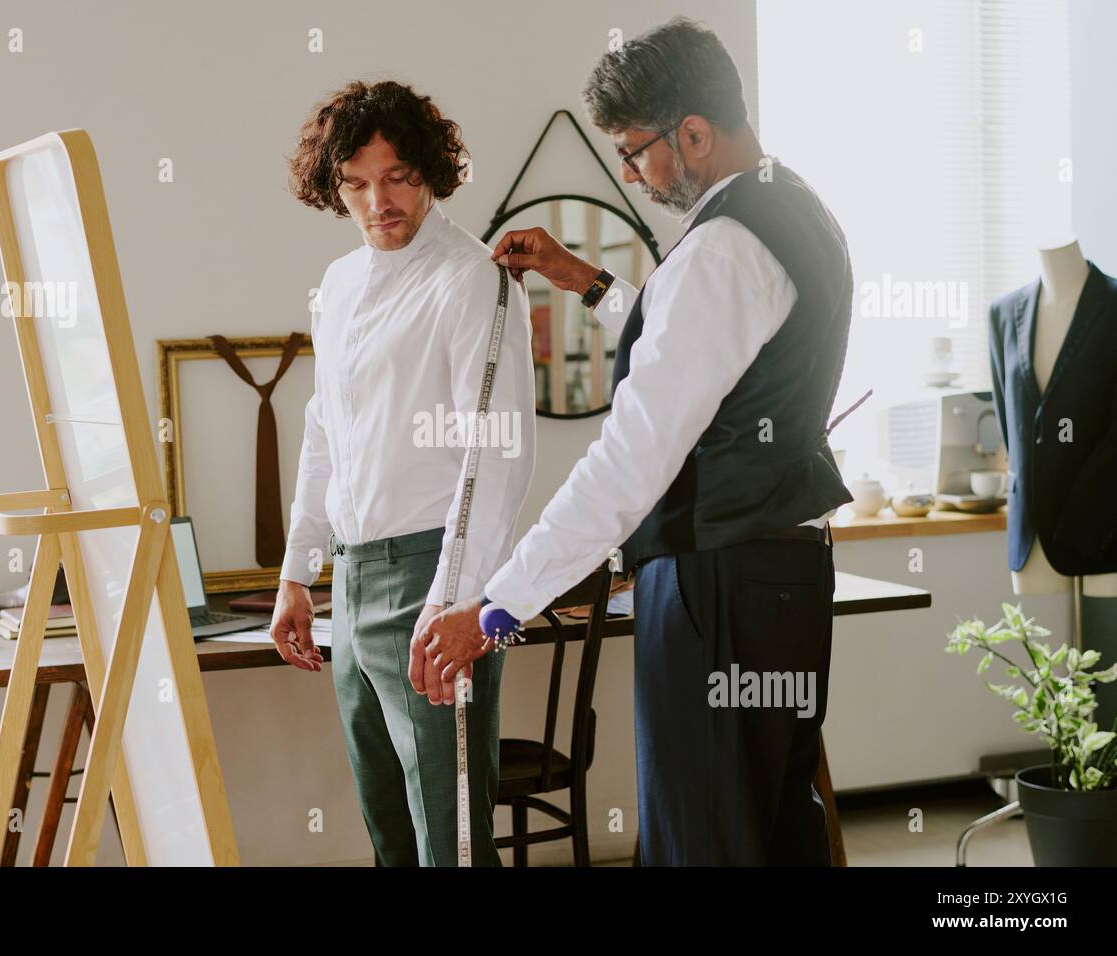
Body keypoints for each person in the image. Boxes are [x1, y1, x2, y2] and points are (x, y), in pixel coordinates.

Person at [410, 17, 854, 865]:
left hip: (714, 583)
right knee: (775, 828)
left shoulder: (719, 248)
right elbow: (711, 355)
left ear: (694, 132)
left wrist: (497, 610)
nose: (631, 173)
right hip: (783, 576)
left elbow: (628, 465)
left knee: (704, 843)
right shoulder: (796, 208)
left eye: (635, 150)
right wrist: (588, 281)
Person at [272, 80, 536, 866]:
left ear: (430, 170)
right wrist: (298, 572)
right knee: (389, 831)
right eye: (355, 184)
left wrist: (456, 599)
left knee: (449, 842)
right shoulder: (341, 286)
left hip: (432, 575)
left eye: (396, 177)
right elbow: (325, 430)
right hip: (350, 585)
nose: (377, 201)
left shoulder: (471, 280)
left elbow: (498, 456)